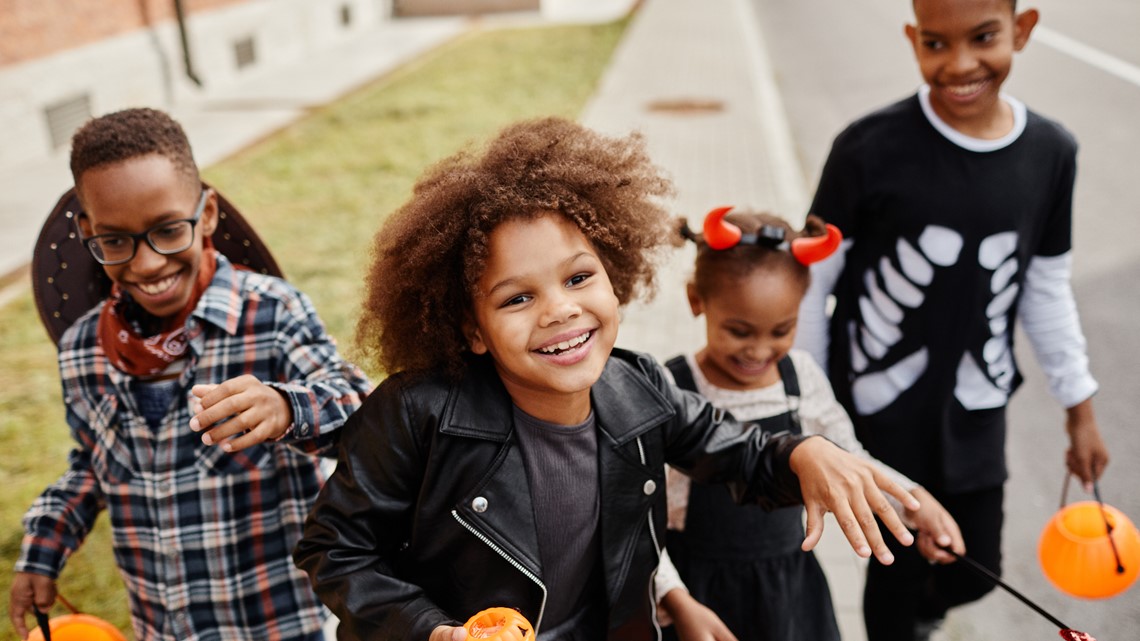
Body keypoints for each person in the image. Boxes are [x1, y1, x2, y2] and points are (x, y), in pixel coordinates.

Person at [292, 117, 925, 641]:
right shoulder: (418, 413)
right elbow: (334, 547)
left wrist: (805, 450)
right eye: (517, 298)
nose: (559, 310)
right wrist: (430, 630)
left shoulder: (640, 388)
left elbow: (744, 453)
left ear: (613, 274)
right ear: (472, 329)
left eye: (578, 278)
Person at [795, 1, 1111, 639]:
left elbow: (1045, 287)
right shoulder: (865, 148)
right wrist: (815, 414)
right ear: (914, 39)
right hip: (877, 414)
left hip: (976, 408)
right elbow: (810, 286)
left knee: (975, 566)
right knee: (894, 574)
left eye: (984, 37)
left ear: (1022, 31)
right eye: (936, 43)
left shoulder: (1052, 152)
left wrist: (1079, 407)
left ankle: (922, 619)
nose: (960, 64)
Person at [8, 108, 373, 641]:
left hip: (280, 625)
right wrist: (41, 552)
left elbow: (362, 415)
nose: (148, 263)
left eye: (167, 230)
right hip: (165, 628)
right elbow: (94, 465)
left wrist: (285, 407)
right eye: (115, 240)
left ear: (206, 215)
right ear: (88, 232)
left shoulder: (272, 315)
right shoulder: (83, 351)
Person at [658, 208, 964, 641]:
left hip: (790, 590)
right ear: (696, 301)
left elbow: (850, 458)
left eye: (782, 330)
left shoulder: (800, 377)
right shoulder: (672, 388)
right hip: (698, 595)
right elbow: (640, 519)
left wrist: (915, 503)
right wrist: (671, 597)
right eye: (740, 331)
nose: (760, 350)